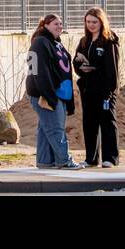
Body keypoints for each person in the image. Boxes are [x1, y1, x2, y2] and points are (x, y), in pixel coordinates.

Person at [25, 13, 83, 170]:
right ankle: (64, 160)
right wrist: (50, 96)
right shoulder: (40, 43)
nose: (59, 26)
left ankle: (45, 161)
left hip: (59, 94)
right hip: (46, 94)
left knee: (46, 128)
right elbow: (39, 71)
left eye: (61, 24)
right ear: (45, 26)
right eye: (55, 24)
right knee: (56, 129)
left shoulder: (56, 43)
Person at [73, 6, 120, 167]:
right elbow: (76, 62)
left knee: (107, 123)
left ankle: (110, 158)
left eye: (94, 22)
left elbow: (112, 69)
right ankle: (91, 159)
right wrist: (81, 68)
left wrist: (109, 91)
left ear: (101, 22)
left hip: (105, 91)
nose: (91, 25)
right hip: (88, 89)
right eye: (88, 22)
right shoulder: (84, 41)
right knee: (89, 124)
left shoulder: (109, 41)